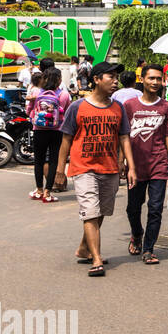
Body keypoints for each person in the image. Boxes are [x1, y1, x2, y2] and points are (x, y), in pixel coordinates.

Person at [54, 61, 136, 277]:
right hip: (83, 168)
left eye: (116, 77)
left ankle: (83, 248)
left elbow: (124, 138)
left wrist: (130, 166)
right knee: (90, 212)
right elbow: (66, 140)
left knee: (100, 212)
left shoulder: (118, 108)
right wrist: (60, 171)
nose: (115, 80)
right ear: (96, 80)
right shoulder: (77, 107)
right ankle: (97, 259)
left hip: (109, 168)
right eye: (110, 76)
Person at [123, 64, 168, 264]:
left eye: (158, 79)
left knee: (155, 208)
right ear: (142, 80)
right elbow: (124, 137)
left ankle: (148, 249)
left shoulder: (167, 107)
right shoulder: (129, 106)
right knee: (133, 208)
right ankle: (136, 234)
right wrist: (125, 163)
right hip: (136, 167)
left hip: (159, 163)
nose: (155, 82)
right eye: (151, 78)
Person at [28, 68, 71, 203]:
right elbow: (67, 112)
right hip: (56, 130)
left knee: (38, 160)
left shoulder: (36, 92)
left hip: (39, 129)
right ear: (59, 79)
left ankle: (39, 190)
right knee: (53, 160)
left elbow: (29, 110)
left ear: (44, 78)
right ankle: (48, 192)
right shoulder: (63, 94)